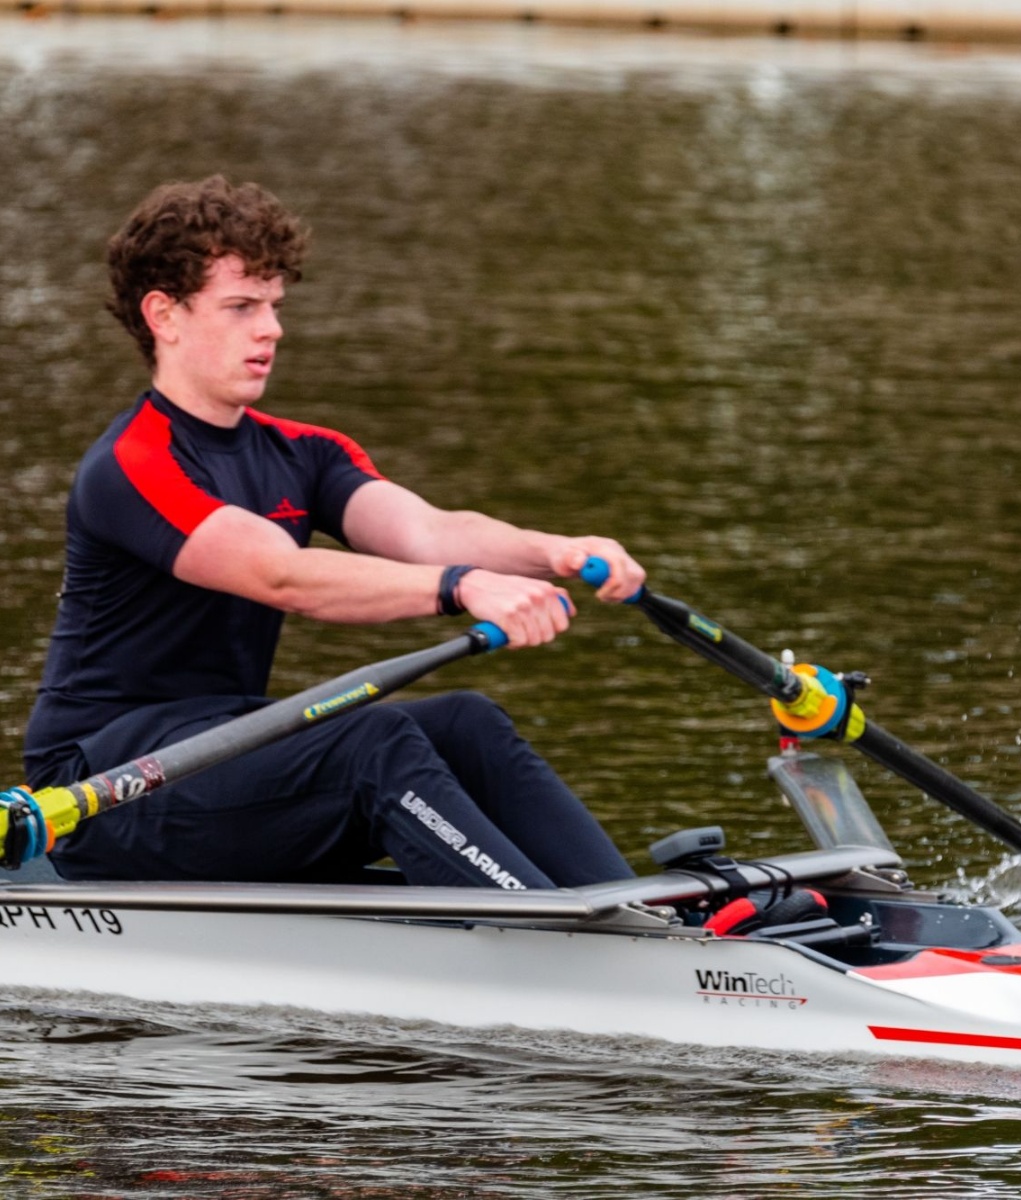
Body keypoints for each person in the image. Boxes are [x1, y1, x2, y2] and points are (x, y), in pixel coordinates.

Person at [23, 175, 644, 890]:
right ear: (164, 314)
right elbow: (283, 576)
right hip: (103, 787)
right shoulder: (132, 465)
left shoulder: (305, 451)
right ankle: (565, 942)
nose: (272, 329)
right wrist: (462, 589)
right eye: (242, 307)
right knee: (372, 742)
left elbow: (428, 532)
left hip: (223, 745)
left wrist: (557, 552)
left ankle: (640, 920)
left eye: (275, 306)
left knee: (467, 724)